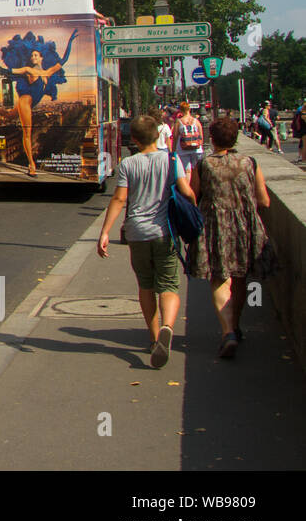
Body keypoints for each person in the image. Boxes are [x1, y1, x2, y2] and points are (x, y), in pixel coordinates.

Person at [97, 114, 197, 369]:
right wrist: (194, 211)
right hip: (164, 233)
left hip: (137, 234)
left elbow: (119, 200)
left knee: (145, 284)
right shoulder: (171, 160)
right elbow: (186, 192)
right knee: (169, 284)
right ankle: (167, 327)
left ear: (135, 140)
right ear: (157, 135)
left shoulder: (129, 164)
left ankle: (153, 339)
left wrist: (105, 231)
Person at [188, 116, 270, 358]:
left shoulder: (205, 165)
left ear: (212, 139)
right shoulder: (250, 163)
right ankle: (236, 325)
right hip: (245, 226)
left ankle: (227, 332)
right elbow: (264, 200)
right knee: (242, 277)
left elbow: (194, 195)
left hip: (215, 226)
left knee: (219, 278)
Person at [0, 30, 78, 176]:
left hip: (30, 103)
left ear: (41, 58)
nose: (33, 57)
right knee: (27, 132)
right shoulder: (28, 69)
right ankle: (31, 164)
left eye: (36, 55)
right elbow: (10, 71)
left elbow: (64, 59)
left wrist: (70, 42)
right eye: (32, 55)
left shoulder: (47, 73)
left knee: (9, 115)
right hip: (25, 102)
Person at [173, 101, 203, 176]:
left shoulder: (179, 122)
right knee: (196, 171)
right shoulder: (196, 121)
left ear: (180, 110)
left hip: (183, 149)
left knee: (187, 171)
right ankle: (195, 187)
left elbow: (175, 137)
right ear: (189, 109)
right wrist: (200, 146)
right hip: (196, 149)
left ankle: (187, 186)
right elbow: (201, 136)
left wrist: (173, 151)